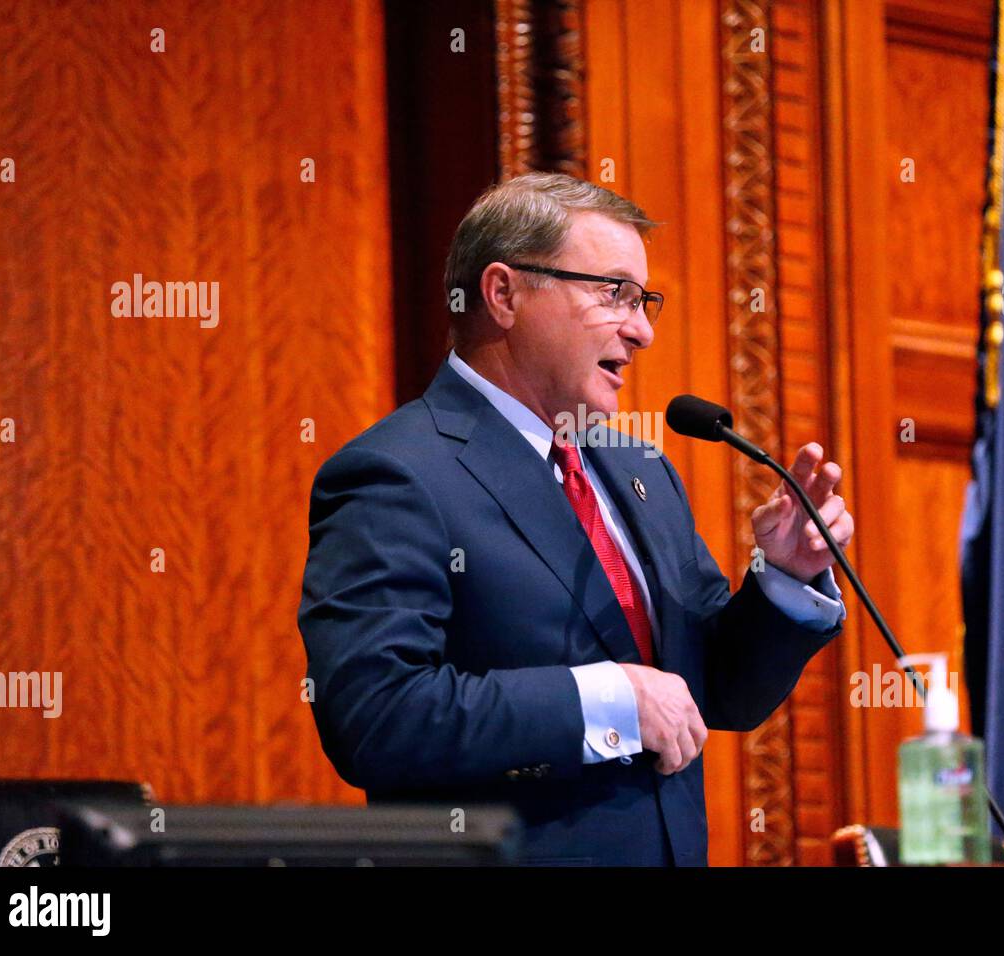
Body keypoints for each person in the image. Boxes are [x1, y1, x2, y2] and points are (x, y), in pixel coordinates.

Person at [298, 172, 855, 865]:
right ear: (504, 294)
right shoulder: (398, 473)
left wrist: (784, 580)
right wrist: (603, 702)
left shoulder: (638, 469)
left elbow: (715, 693)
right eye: (614, 293)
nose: (643, 330)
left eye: (644, 300)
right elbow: (375, 716)